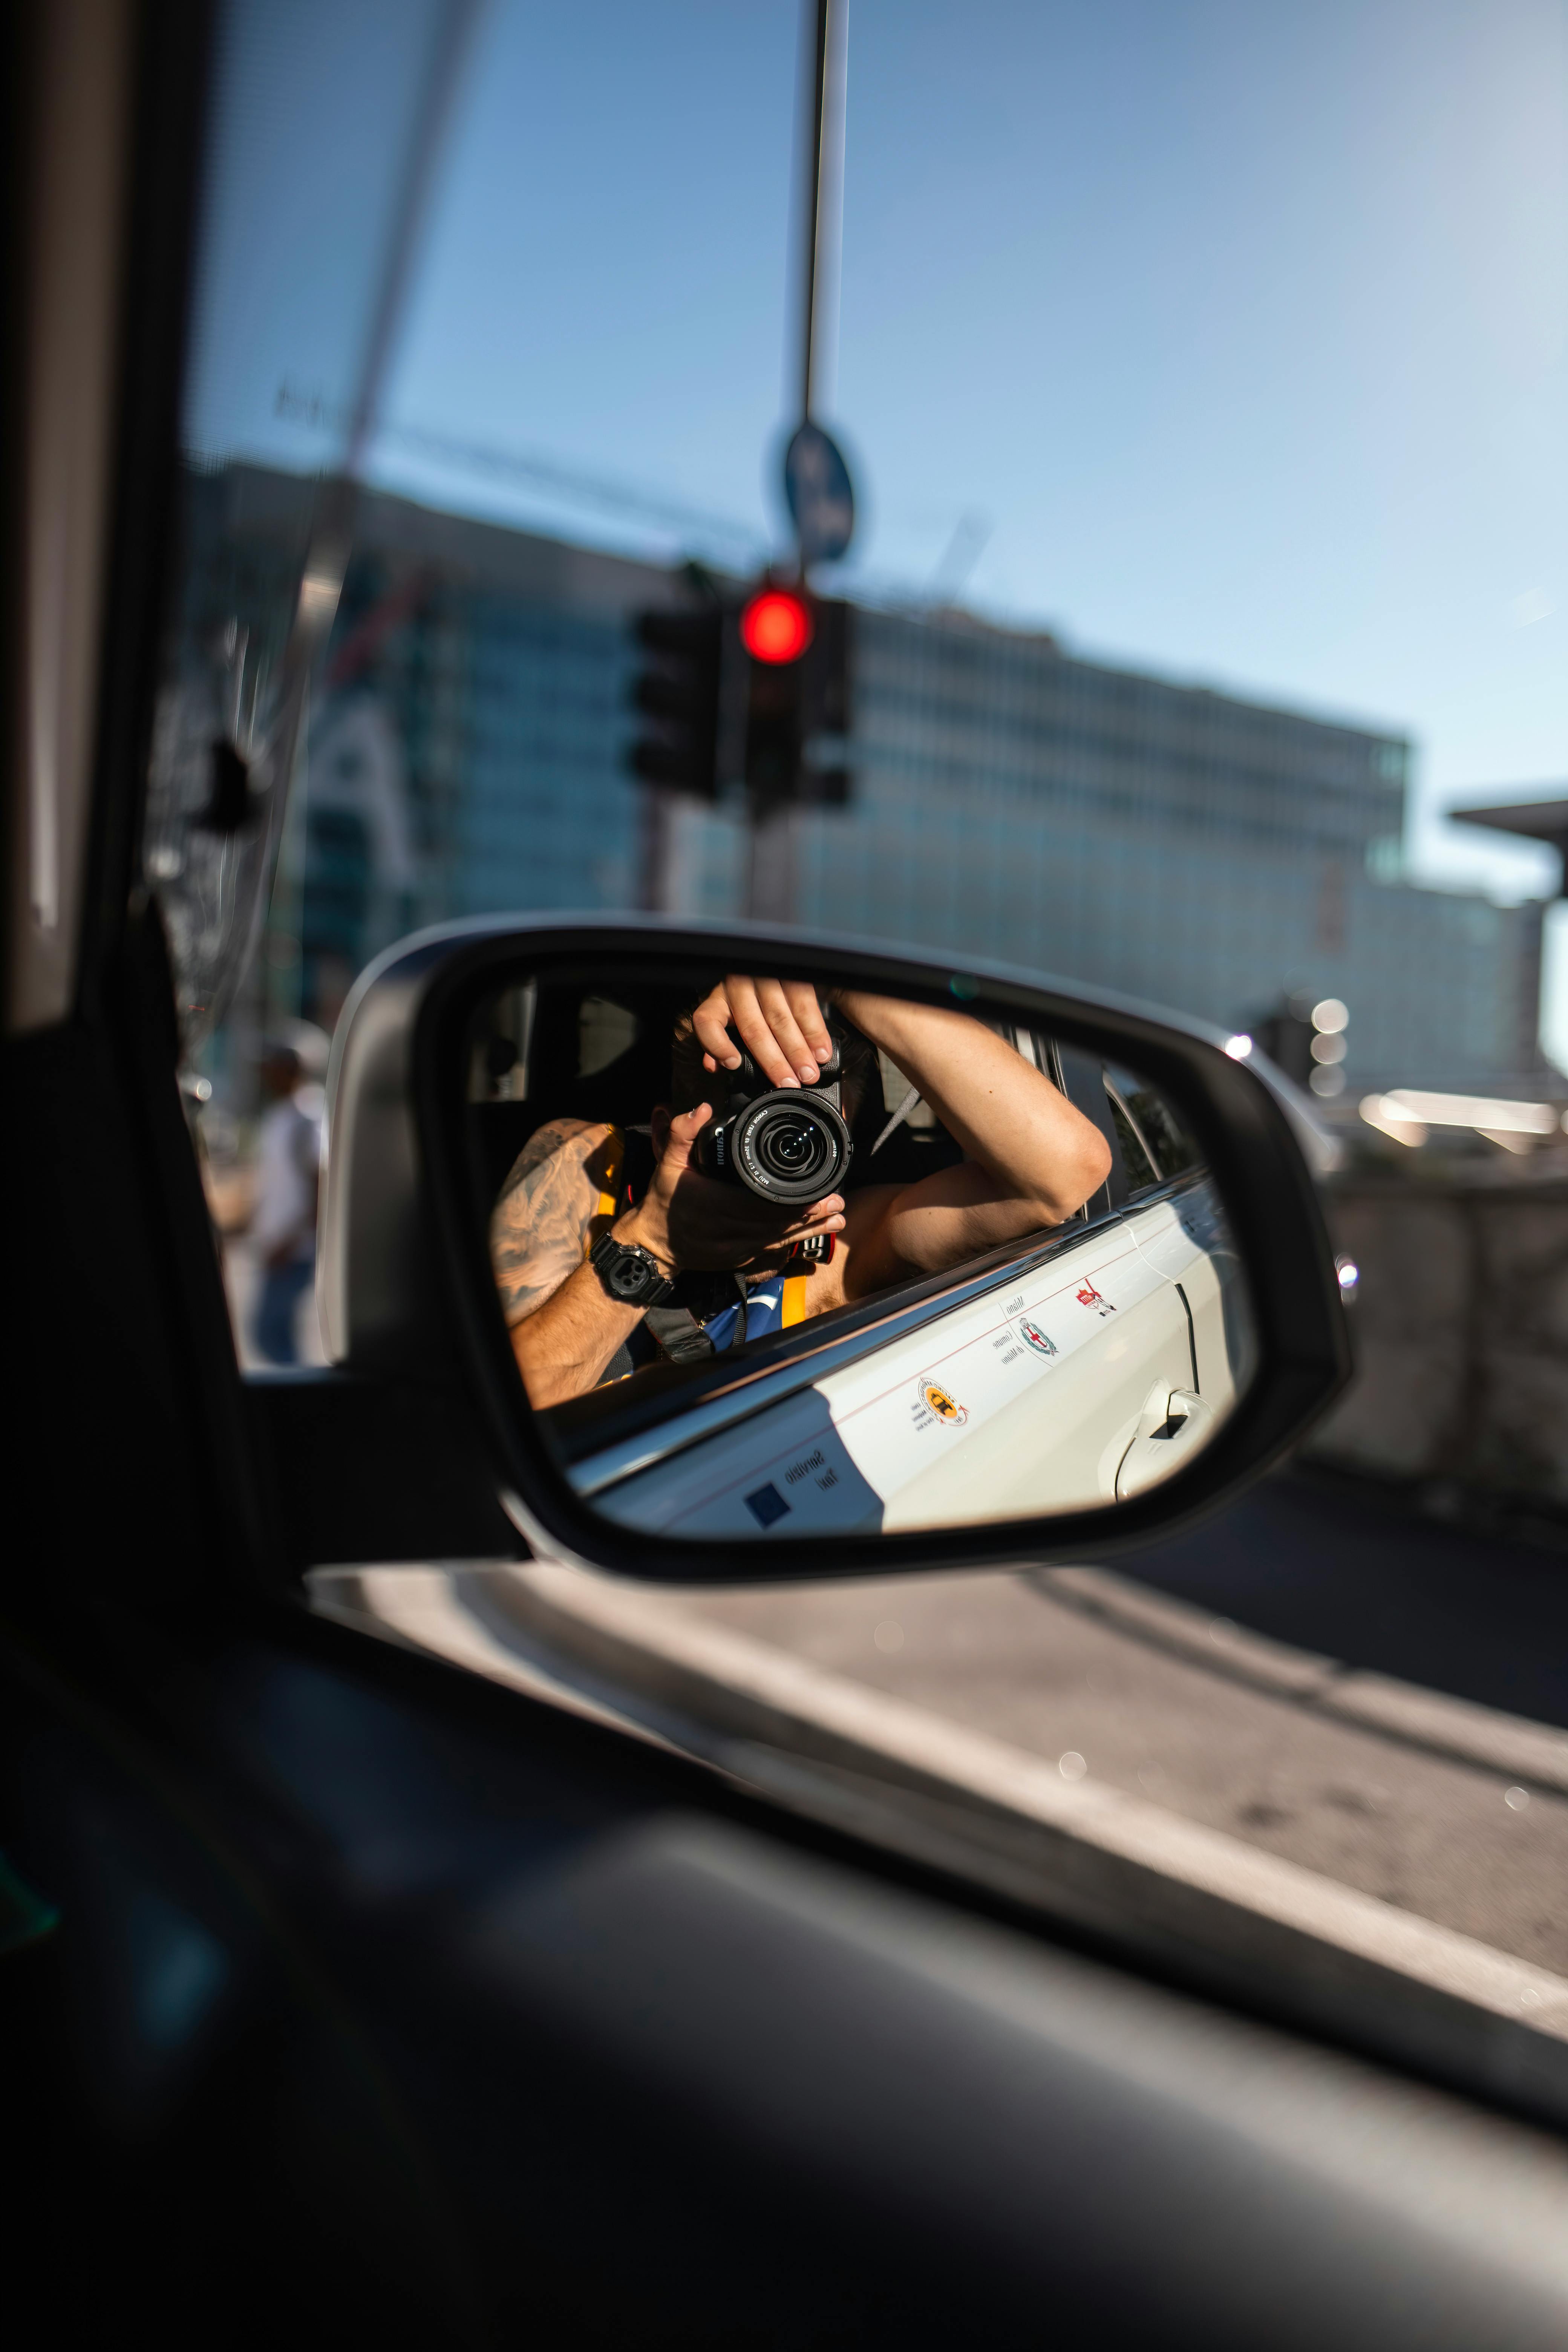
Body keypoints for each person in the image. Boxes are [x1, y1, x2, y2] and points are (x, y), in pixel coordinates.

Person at [491, 975, 1112, 1409]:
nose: (774, 1148)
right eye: (740, 1119)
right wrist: (653, 1240)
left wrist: (846, 982)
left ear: (841, 1151)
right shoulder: (593, 1172)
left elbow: (1063, 1173)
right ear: (661, 1132)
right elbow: (501, 1415)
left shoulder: (833, 1253)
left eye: (804, 1130)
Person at [248, 1033, 324, 1365]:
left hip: (294, 1250)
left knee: (269, 1332)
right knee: (274, 1333)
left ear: (291, 1070)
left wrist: (290, 1242)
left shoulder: (307, 1119)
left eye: (272, 1067)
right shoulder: (279, 1116)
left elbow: (319, 1187)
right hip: (277, 1246)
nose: (265, 1075)